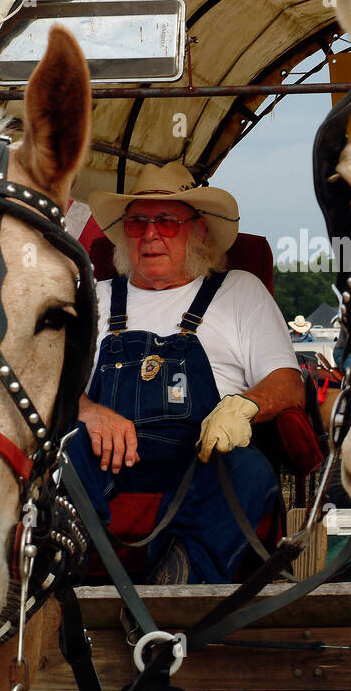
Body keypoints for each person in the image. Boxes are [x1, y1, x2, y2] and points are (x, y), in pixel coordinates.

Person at [72, 163, 304, 583]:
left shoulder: (239, 292)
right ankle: (63, 586)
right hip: (107, 466)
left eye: (167, 221)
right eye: (138, 221)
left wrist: (243, 408)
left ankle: (181, 589)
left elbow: (288, 385)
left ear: (198, 230)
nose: (150, 234)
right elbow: (45, 387)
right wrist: (87, 410)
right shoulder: (93, 296)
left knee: (249, 471)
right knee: (63, 458)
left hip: (205, 464)